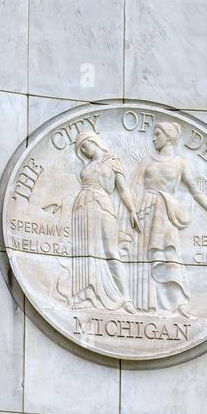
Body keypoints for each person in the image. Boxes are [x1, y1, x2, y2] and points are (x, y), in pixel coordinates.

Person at [127, 121, 207, 316]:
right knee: (144, 256)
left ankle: (178, 303)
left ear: (168, 137)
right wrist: (131, 211)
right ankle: (147, 304)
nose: (153, 138)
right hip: (145, 210)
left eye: (157, 134)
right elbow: (131, 187)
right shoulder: (146, 161)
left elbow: (196, 191)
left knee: (168, 255)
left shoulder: (180, 163)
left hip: (167, 212)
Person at [65, 132, 138, 312]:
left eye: (84, 145)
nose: (84, 151)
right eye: (80, 149)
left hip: (103, 203)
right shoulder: (86, 165)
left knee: (111, 251)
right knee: (85, 250)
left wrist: (132, 210)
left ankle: (126, 298)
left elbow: (123, 190)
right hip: (82, 206)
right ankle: (86, 295)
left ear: (94, 141)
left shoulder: (113, 161)